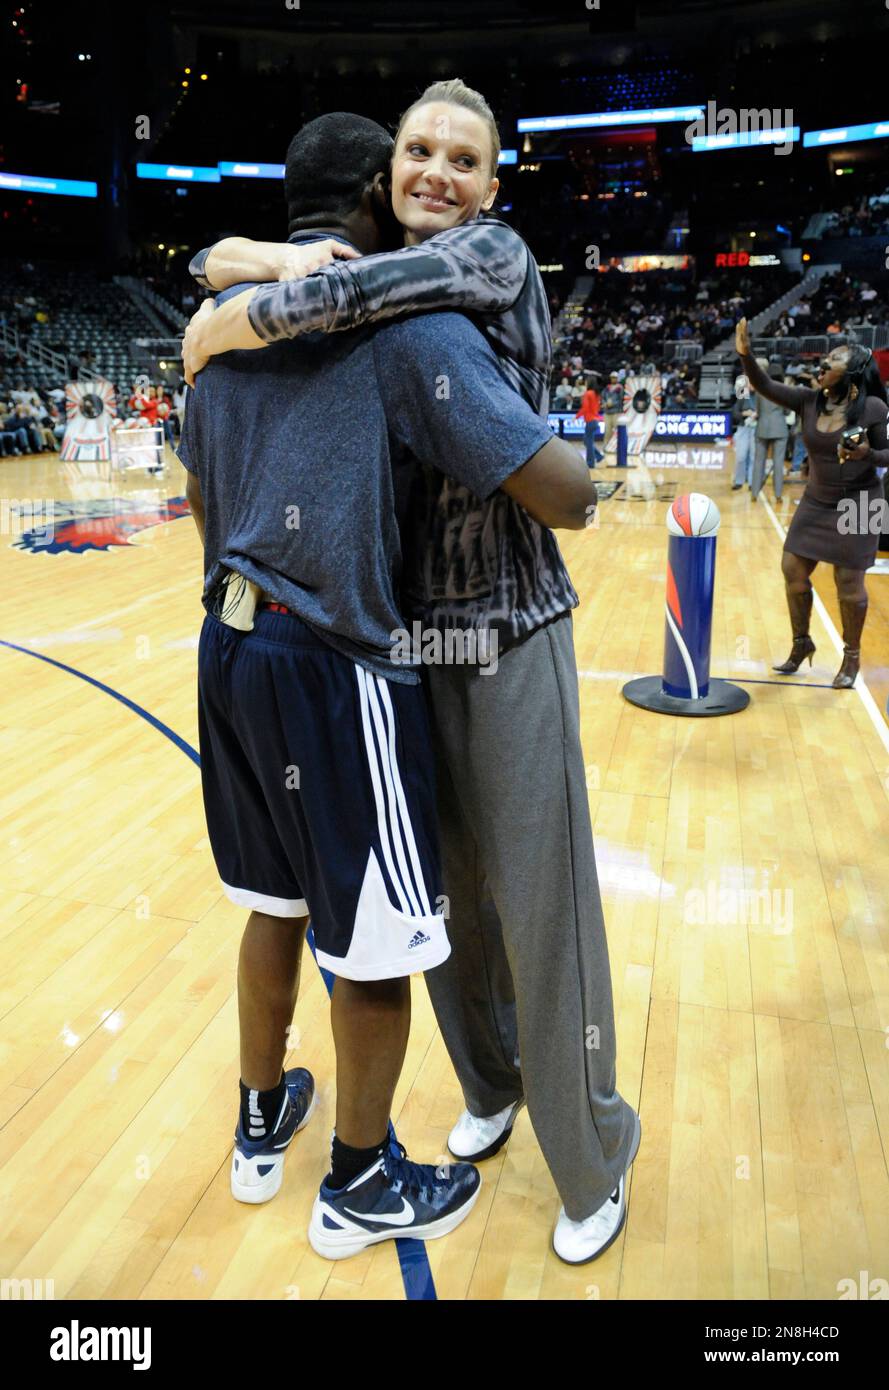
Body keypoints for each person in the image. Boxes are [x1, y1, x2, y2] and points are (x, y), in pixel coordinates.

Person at [182, 79, 640, 1264]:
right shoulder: (369, 310)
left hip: (503, 627)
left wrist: (224, 301)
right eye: (417, 151)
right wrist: (229, 269)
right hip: (389, 642)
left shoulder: (473, 268)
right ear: (386, 175)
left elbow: (567, 494)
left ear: (493, 184)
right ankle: (489, 1084)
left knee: (542, 905)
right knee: (445, 908)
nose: (437, 170)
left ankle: (591, 1154)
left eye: (462, 157)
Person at [736, 319, 889, 687]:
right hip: (817, 502)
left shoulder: (872, 408)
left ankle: (851, 658)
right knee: (792, 568)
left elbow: (887, 454)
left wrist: (868, 454)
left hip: (861, 504)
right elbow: (764, 385)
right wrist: (746, 355)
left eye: (833, 358)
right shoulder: (808, 401)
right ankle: (802, 643)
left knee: (848, 583)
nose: (823, 362)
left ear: (852, 371)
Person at [750, 360, 789, 502]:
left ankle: (754, 494)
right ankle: (778, 495)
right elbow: (787, 410)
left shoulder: (761, 389)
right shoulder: (784, 389)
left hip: (762, 428)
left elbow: (758, 411)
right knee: (778, 463)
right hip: (779, 428)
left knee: (758, 461)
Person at [731, 375, 756, 491]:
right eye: (749, 383)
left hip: (756, 428)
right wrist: (744, 414)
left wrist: (756, 414)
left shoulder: (762, 396)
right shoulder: (742, 395)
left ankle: (752, 482)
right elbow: (734, 413)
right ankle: (739, 480)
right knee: (741, 456)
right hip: (743, 427)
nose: (751, 385)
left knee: (753, 456)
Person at [574, 379, 604, 466]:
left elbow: (585, 408)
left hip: (590, 420)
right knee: (586, 441)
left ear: (589, 383)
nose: (585, 383)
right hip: (595, 420)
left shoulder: (588, 393)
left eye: (586, 382)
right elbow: (598, 408)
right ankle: (598, 456)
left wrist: (576, 417)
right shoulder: (596, 394)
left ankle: (590, 463)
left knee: (589, 442)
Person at [602, 372, 623, 446]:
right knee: (607, 431)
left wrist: (612, 404)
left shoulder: (620, 388)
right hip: (607, 412)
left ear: (617, 378)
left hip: (616, 412)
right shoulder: (607, 387)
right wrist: (605, 403)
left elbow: (621, 400)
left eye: (615, 377)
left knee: (616, 430)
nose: (613, 379)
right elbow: (603, 397)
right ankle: (606, 446)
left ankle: (616, 446)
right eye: (612, 377)